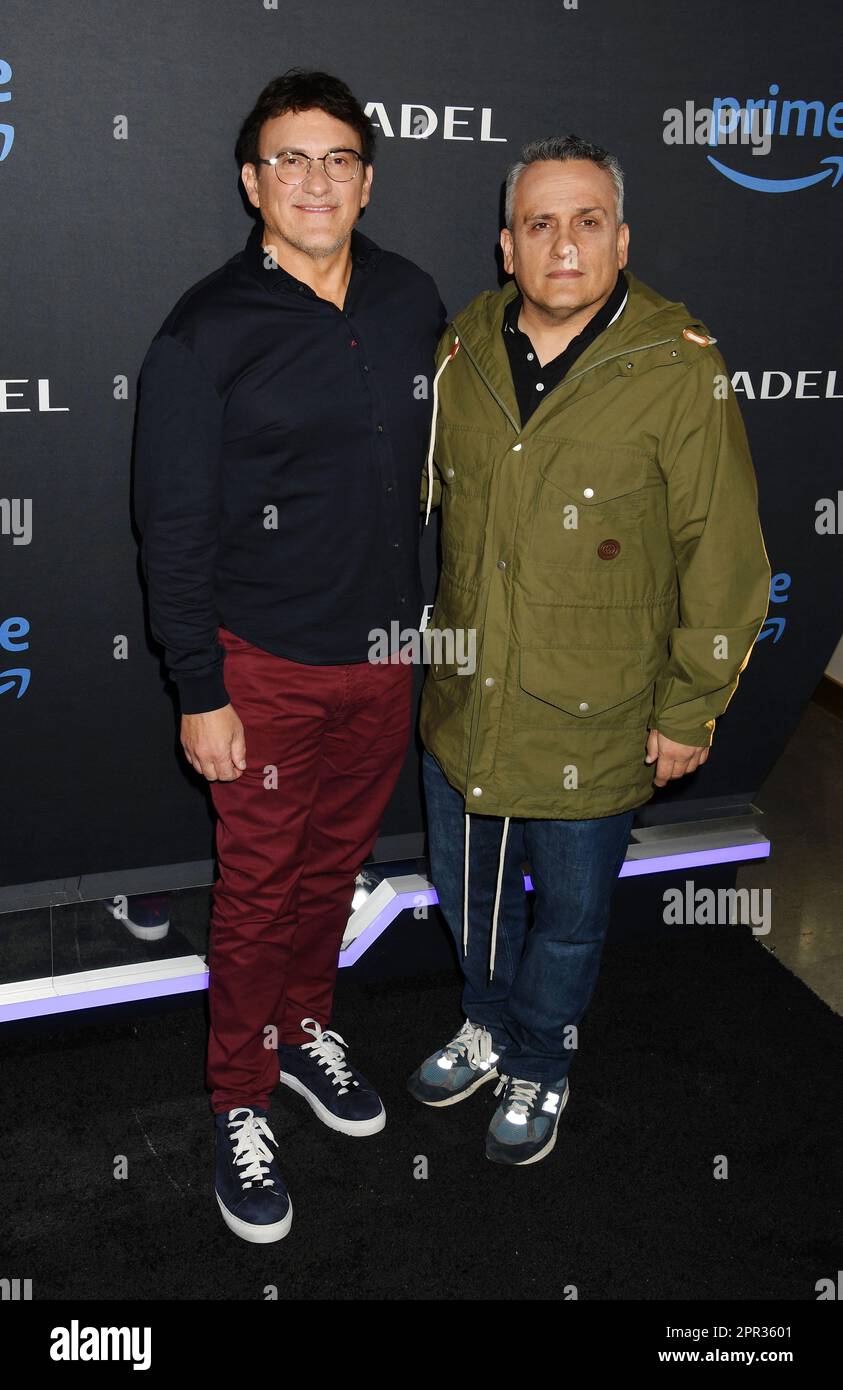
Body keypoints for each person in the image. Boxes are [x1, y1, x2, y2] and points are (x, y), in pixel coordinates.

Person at [409, 134, 771, 1166]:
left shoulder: (676, 365)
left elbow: (727, 555)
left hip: (599, 716)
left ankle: (540, 1062)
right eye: (539, 223)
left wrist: (690, 707)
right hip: (469, 704)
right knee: (467, 894)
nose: (562, 242)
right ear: (505, 246)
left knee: (568, 921)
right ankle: (485, 1021)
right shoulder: (464, 348)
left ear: (621, 239)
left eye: (586, 220)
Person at [134, 69, 445, 1240]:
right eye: (289, 160)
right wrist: (199, 686)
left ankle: (305, 1032)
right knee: (259, 894)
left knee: (333, 874)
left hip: (383, 659)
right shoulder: (205, 328)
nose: (315, 181)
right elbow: (170, 523)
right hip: (260, 666)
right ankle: (239, 1100)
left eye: (337, 160)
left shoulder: (416, 296)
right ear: (252, 181)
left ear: (368, 177)